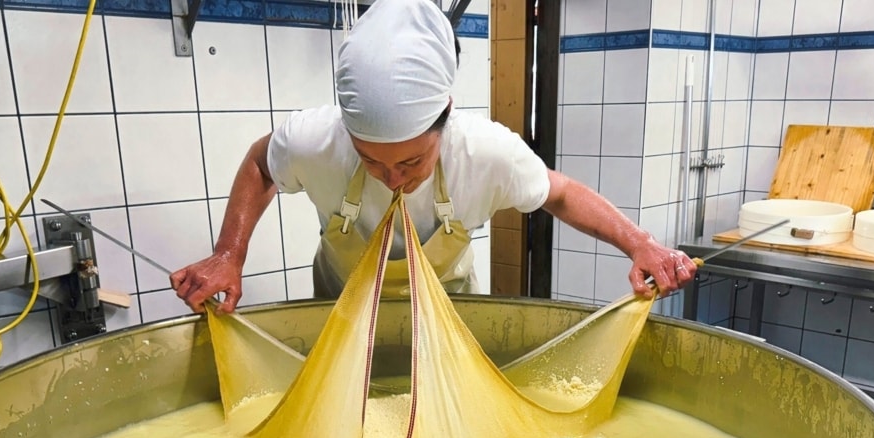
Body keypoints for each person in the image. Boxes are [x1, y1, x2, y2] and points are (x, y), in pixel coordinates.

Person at [171, 0, 698, 314]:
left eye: (411, 163)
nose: (391, 178)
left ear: (445, 116)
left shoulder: (484, 152)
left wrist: (640, 243)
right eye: (371, 161)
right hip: (337, 322)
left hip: (450, 325)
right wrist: (229, 255)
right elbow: (260, 163)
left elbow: (558, 193)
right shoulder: (317, 140)